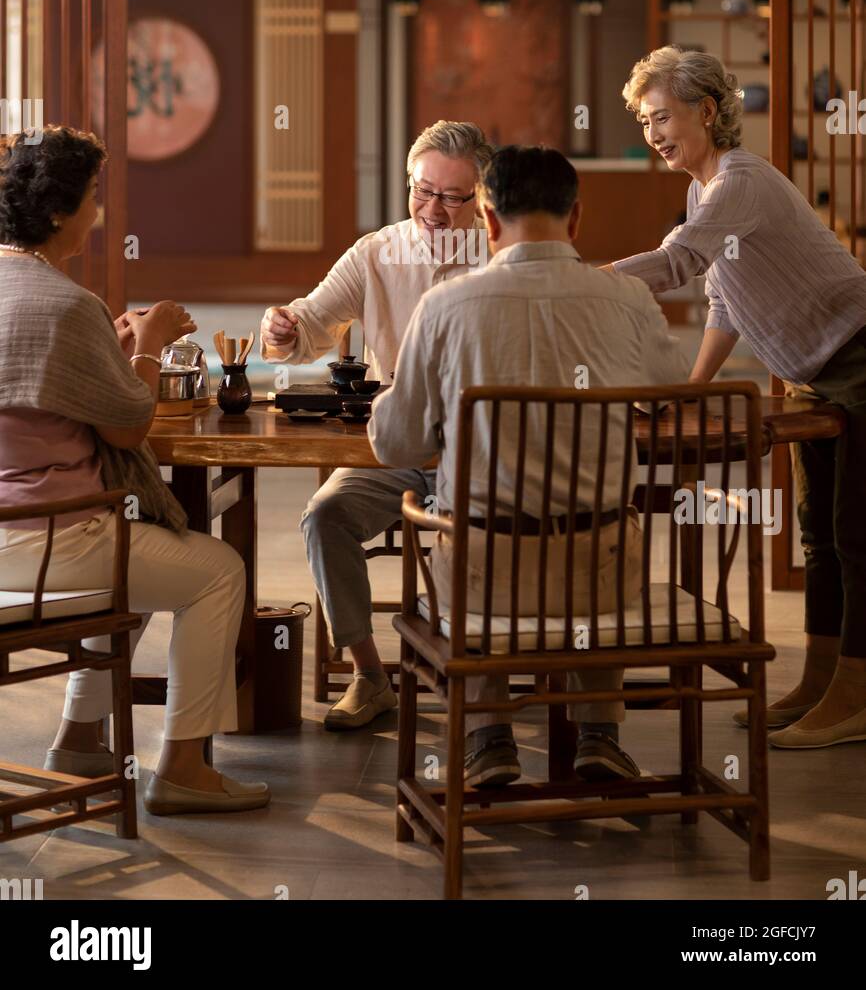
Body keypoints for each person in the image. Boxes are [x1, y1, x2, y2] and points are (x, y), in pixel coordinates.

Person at [368, 145, 691, 787]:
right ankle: (599, 732)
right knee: (606, 523)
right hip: (598, 575)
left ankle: (488, 737)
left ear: (487, 219)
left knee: (462, 525)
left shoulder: (445, 307)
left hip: (486, 574)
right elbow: (669, 390)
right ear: (576, 220)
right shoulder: (625, 298)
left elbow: (396, 445)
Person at [0, 126, 269, 814]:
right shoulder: (67, 303)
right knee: (213, 571)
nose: (100, 214)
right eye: (94, 198)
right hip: (49, 549)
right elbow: (127, 424)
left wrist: (109, 349)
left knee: (141, 548)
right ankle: (182, 767)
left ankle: (80, 736)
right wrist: (147, 343)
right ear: (61, 213)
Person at [611, 45, 866, 751]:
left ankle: (856, 693)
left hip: (861, 355)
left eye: (662, 116)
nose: (653, 133)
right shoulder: (704, 190)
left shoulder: (740, 183)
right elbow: (723, 299)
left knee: (856, 538)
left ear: (709, 110)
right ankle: (821, 681)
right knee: (818, 539)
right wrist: (687, 392)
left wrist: (590, 279)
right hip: (818, 371)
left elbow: (680, 263)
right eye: (643, 120)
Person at [261, 120, 493, 730]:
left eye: (451, 196)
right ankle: (370, 674)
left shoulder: (501, 256)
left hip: (482, 451)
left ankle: (476, 678)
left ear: (482, 197)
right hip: (395, 447)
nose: (433, 209)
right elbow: (308, 325)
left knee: (474, 533)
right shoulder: (377, 251)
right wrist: (283, 329)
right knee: (325, 515)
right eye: (422, 191)